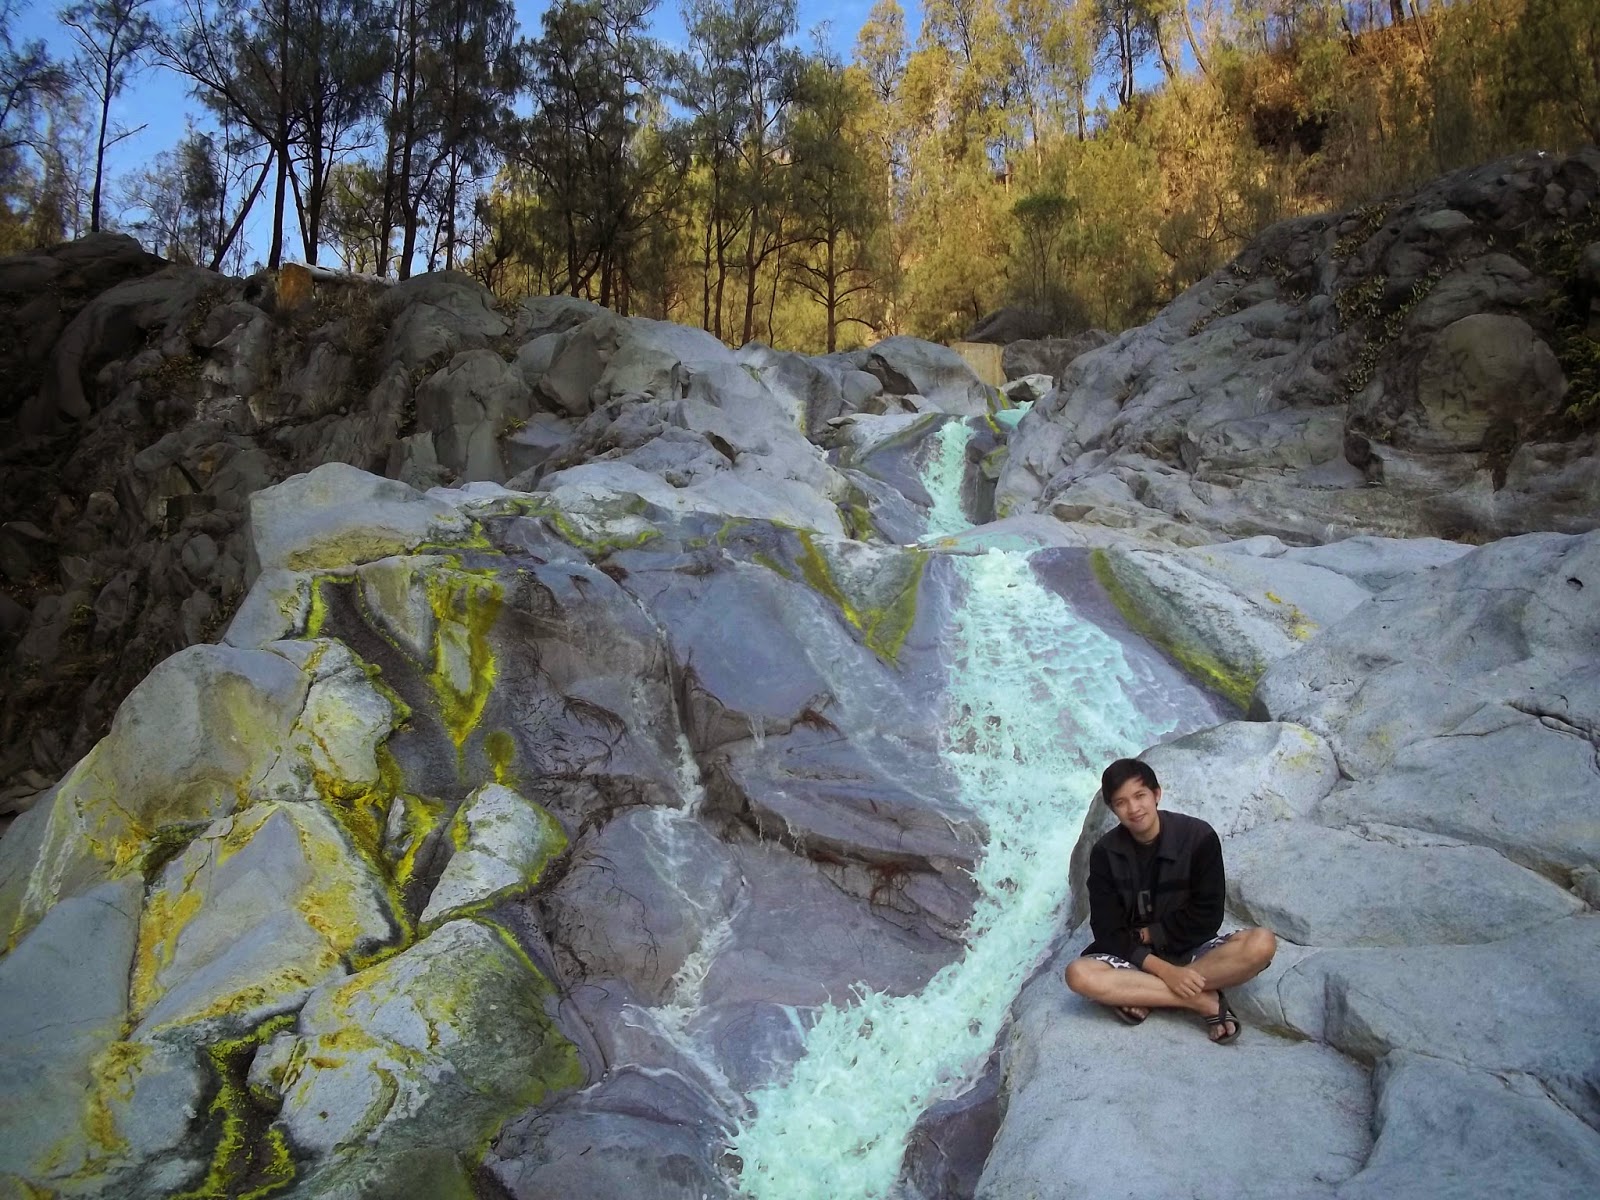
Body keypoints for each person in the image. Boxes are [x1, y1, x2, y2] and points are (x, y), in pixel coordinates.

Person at [1063, 758, 1277, 1043]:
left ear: (1157, 794)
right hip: (1134, 957)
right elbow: (1106, 931)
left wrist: (1152, 935)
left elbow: (1208, 916)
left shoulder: (1199, 838)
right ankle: (1201, 1001)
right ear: (1113, 809)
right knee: (1079, 975)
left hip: (1192, 948)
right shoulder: (1106, 853)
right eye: (1121, 802)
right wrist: (1165, 971)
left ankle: (1145, 993)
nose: (1134, 809)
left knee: (1262, 943)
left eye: (1140, 796)